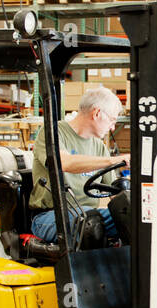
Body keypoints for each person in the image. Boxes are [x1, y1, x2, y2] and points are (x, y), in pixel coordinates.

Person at [29, 85, 130, 243]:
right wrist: (114, 160)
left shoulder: (99, 147)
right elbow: (64, 163)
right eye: (112, 120)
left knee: (134, 217)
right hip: (51, 216)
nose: (112, 127)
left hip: (88, 215)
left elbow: (114, 190)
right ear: (97, 113)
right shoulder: (53, 133)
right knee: (90, 223)